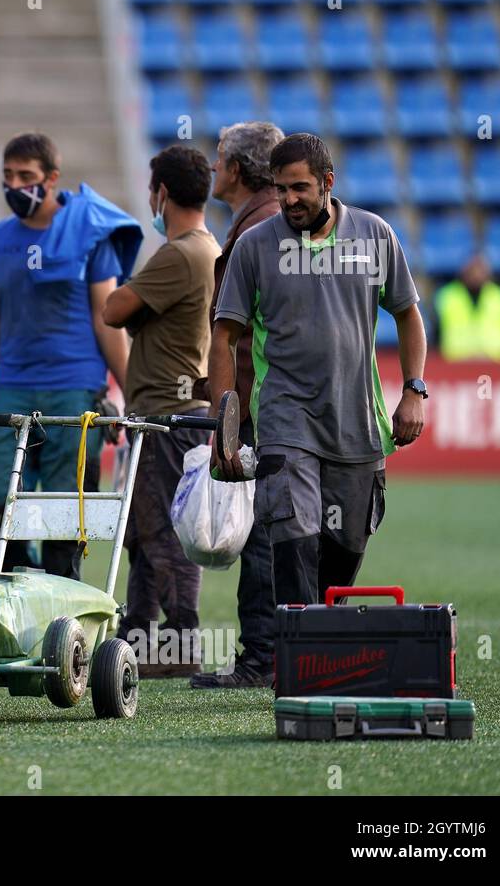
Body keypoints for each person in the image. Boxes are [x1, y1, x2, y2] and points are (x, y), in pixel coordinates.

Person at [210, 132, 427, 611]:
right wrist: (224, 422)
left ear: (327, 182)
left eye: (299, 188)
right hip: (286, 421)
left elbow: (409, 314)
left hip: (357, 422)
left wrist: (414, 389)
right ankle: (296, 659)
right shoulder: (254, 247)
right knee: (294, 538)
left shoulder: (375, 235)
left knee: (344, 548)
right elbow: (223, 336)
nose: (288, 199)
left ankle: (323, 641)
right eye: (281, 188)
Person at [0, 132, 140, 579]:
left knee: (64, 514)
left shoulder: (90, 237)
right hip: (10, 388)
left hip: (75, 390)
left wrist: (132, 395)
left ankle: (63, 604)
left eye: (26, 176)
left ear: (52, 178)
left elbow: (105, 318)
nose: (15, 186)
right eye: (8, 176)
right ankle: (24, 582)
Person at [102, 145, 219, 678]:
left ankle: (178, 640)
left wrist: (104, 268)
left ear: (162, 193)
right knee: (144, 529)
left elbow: (114, 309)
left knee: (163, 530)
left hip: (167, 416)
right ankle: (142, 635)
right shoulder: (206, 248)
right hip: (168, 411)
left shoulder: (181, 254)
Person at [190, 122, 283, 689]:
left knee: (265, 534)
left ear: (240, 169)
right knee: (269, 532)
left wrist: (230, 407)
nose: (212, 167)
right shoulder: (260, 222)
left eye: (219, 157)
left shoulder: (263, 228)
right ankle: (275, 654)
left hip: (264, 405)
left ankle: (263, 659)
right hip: (261, 398)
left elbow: (253, 333)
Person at [435, 254, 500, 362]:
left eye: (479, 269)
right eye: (472, 269)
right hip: (455, 364)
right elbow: (436, 331)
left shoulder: (499, 296)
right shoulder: (447, 295)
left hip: (495, 363)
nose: (476, 274)